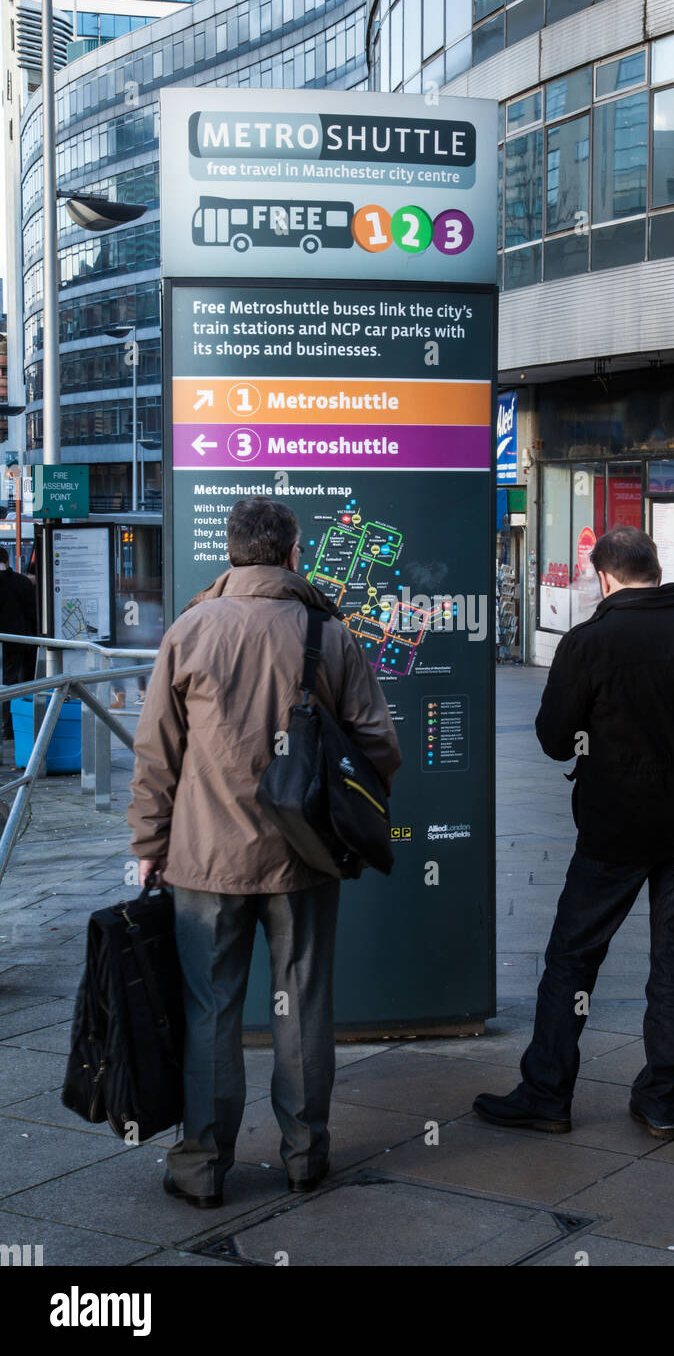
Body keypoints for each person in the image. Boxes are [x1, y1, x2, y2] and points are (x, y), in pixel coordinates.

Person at [128, 496, 401, 1206]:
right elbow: (380, 745)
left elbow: (156, 753)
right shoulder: (327, 633)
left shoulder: (190, 630)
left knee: (209, 1012)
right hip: (304, 860)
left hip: (204, 861)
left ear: (231, 550)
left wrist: (148, 843)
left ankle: (199, 1168)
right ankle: (306, 1157)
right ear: (291, 551)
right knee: (303, 1007)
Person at [474, 526, 674, 1141]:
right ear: (655, 570)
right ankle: (662, 1099)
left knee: (573, 958)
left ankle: (547, 1093)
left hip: (614, 827)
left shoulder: (589, 642)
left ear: (604, 577)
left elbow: (556, 739)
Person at [0, 546, 38, 740]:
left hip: (9, 643)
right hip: (16, 642)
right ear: (7, 561)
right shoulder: (21, 583)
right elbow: (32, 614)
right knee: (12, 685)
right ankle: (10, 727)